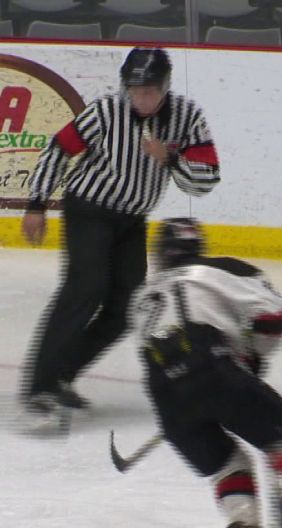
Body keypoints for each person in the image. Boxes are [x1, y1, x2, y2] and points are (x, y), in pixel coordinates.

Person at [21, 47, 220, 426]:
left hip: (131, 220)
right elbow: (60, 149)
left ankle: (61, 373)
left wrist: (172, 159)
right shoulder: (105, 112)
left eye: (149, 91)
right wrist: (36, 203)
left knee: (127, 308)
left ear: (165, 88)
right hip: (89, 210)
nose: (141, 99)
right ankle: (40, 387)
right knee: (85, 289)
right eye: (134, 90)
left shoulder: (186, 117)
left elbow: (207, 178)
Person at [131, 218, 282, 528]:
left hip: (165, 396)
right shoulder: (216, 270)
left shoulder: (143, 296)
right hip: (212, 367)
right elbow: (272, 318)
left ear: (159, 254)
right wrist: (250, 355)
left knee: (227, 464)